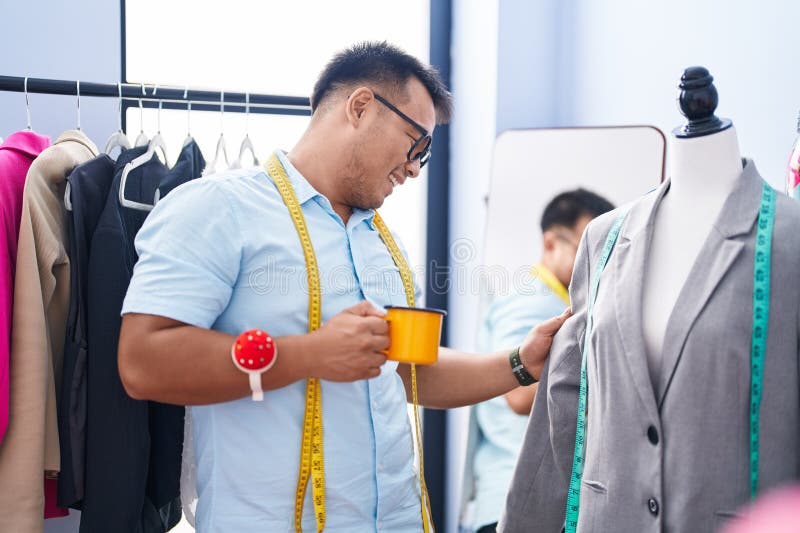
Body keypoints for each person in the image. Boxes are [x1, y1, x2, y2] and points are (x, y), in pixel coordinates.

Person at [117, 41, 569, 532]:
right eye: (415, 143)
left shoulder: (384, 244)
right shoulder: (217, 208)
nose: (415, 167)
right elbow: (143, 360)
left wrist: (519, 364)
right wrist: (309, 354)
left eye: (425, 155)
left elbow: (405, 371)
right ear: (360, 106)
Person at [462, 189, 613, 533]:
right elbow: (517, 396)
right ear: (550, 244)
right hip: (516, 503)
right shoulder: (530, 302)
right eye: (587, 249)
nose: (598, 263)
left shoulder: (557, 301)